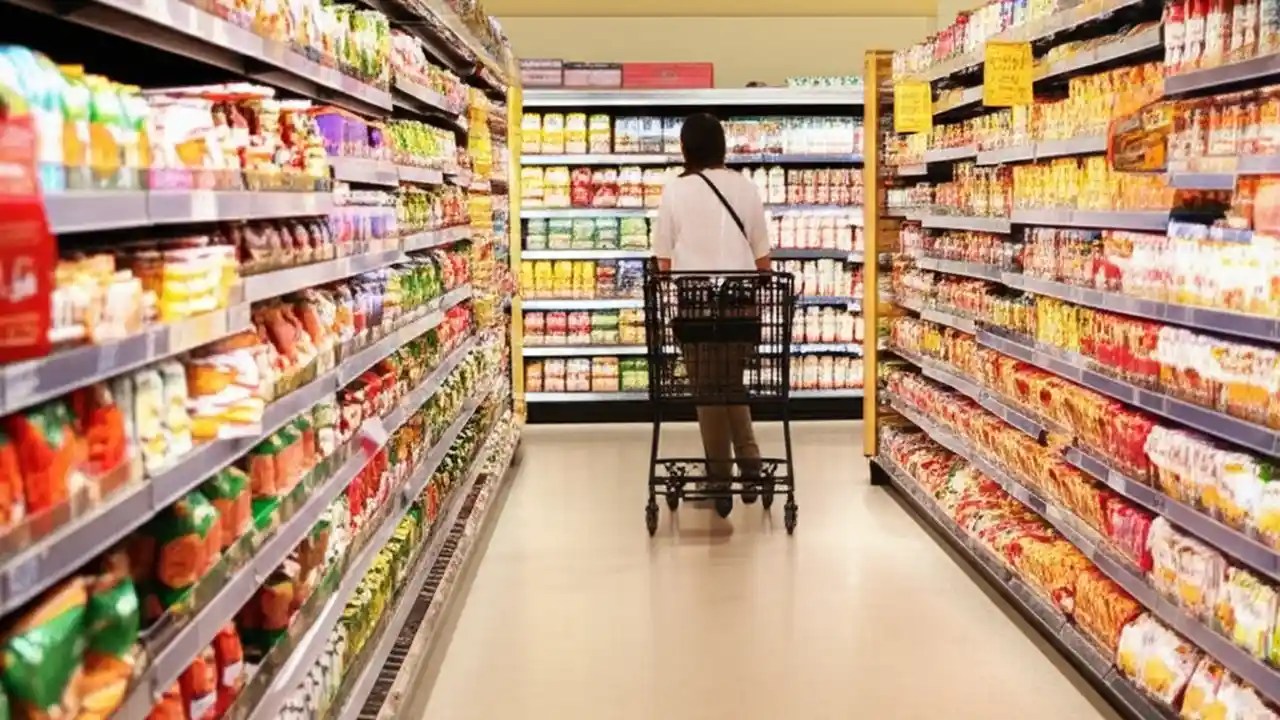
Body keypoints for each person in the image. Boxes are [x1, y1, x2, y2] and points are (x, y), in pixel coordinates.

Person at [652, 112, 770, 494]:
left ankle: (719, 475)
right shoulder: (746, 188)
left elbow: (664, 264)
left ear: (685, 149)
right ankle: (750, 464)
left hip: (696, 306)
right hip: (740, 305)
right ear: (722, 147)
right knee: (731, 382)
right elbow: (763, 262)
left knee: (707, 389)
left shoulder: (675, 191)